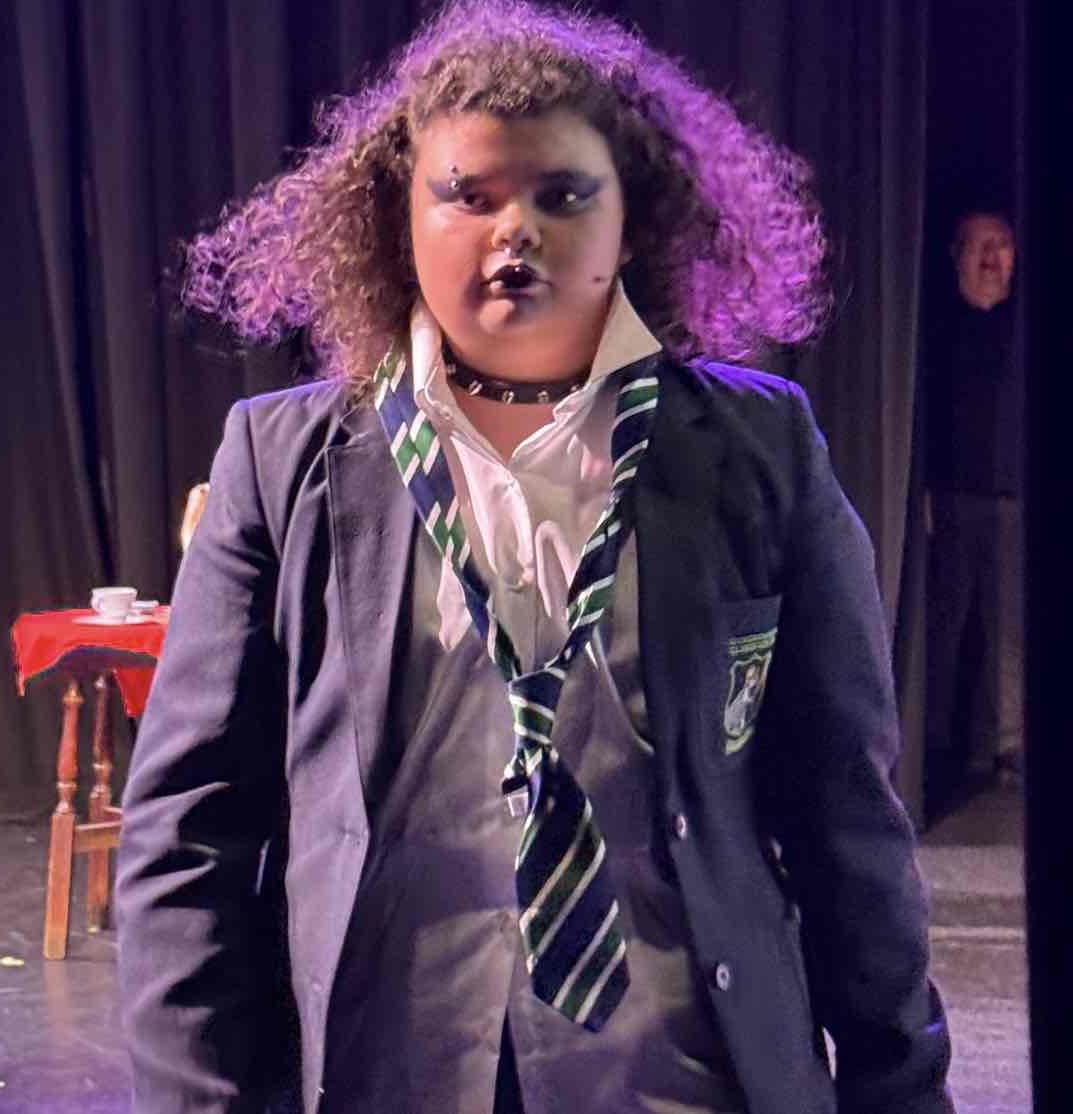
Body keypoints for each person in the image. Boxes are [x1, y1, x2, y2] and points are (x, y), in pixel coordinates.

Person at [115, 2, 954, 1112]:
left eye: (563, 195)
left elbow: (848, 815)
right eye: (469, 195)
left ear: (632, 219)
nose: (515, 232)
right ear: (398, 218)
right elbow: (188, 836)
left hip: (685, 1081)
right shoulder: (280, 464)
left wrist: (902, 1088)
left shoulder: (762, 448)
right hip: (382, 1077)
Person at [925, 207, 1022, 802]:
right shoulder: (936, 331)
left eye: (1002, 244)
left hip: (1013, 500)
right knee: (946, 625)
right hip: (952, 497)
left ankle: (1005, 745)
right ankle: (936, 740)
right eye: (980, 245)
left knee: (1008, 629)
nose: (991, 258)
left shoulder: (1027, 332)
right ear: (956, 255)